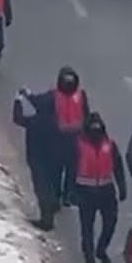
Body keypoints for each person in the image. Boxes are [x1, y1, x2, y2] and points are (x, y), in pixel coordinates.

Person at [73, 112, 127, 263]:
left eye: (99, 129)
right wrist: (71, 192)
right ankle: (89, 261)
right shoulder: (78, 145)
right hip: (85, 192)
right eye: (93, 129)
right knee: (87, 229)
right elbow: (71, 168)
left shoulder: (110, 145)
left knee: (110, 224)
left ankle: (101, 249)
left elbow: (118, 166)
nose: (96, 132)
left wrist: (122, 187)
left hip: (106, 191)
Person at [13, 90, 59, 231]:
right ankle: (53, 205)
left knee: (41, 188)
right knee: (51, 184)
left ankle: (47, 220)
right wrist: (29, 95)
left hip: (37, 159)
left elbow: (18, 118)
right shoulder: (57, 121)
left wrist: (18, 101)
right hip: (54, 157)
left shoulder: (35, 121)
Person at [44, 66, 90, 206]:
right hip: (57, 139)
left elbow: (86, 113)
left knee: (72, 170)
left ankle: (68, 194)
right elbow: (47, 116)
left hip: (75, 138)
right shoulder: (53, 96)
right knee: (55, 170)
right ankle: (56, 194)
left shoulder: (81, 95)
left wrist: (86, 133)